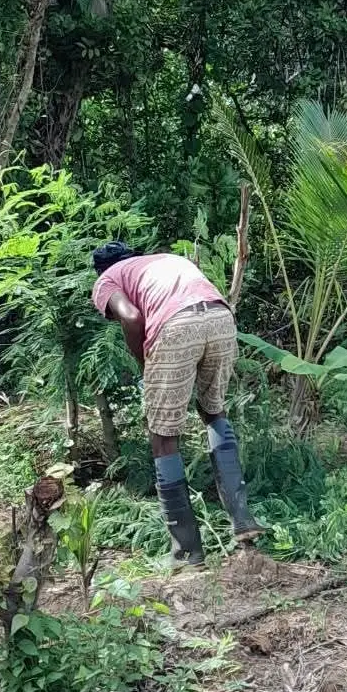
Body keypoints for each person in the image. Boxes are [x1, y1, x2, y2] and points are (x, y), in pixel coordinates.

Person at [91, 242, 259, 568]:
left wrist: (144, 363)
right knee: (213, 413)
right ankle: (242, 521)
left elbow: (130, 315)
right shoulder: (164, 260)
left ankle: (187, 553)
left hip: (176, 326)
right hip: (220, 317)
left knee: (163, 436)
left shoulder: (107, 279)